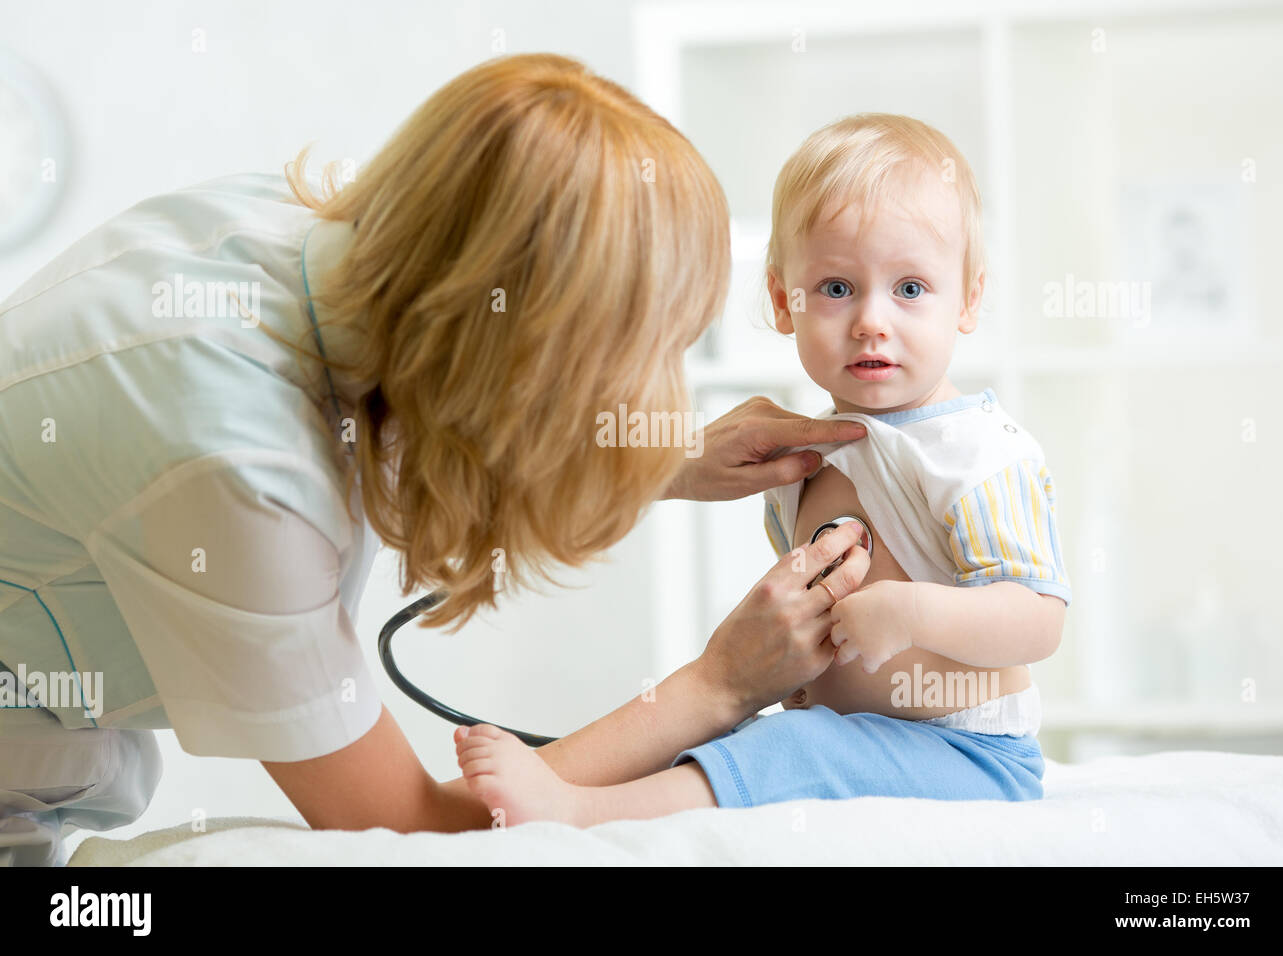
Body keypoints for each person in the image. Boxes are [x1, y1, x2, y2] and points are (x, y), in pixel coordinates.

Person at [0, 53, 871, 865]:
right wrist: (715, 688)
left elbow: (449, 383)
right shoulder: (232, 461)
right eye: (650, 352)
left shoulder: (346, 236)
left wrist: (657, 457)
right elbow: (409, 827)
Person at [451, 113, 1072, 826]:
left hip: (969, 755)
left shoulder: (979, 451)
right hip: (861, 737)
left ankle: (576, 812)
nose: (872, 320)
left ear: (967, 299)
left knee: (792, 746)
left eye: (910, 289)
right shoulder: (804, 458)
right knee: (756, 739)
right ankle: (589, 794)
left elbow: (1038, 620)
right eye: (837, 289)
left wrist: (912, 612)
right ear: (784, 301)